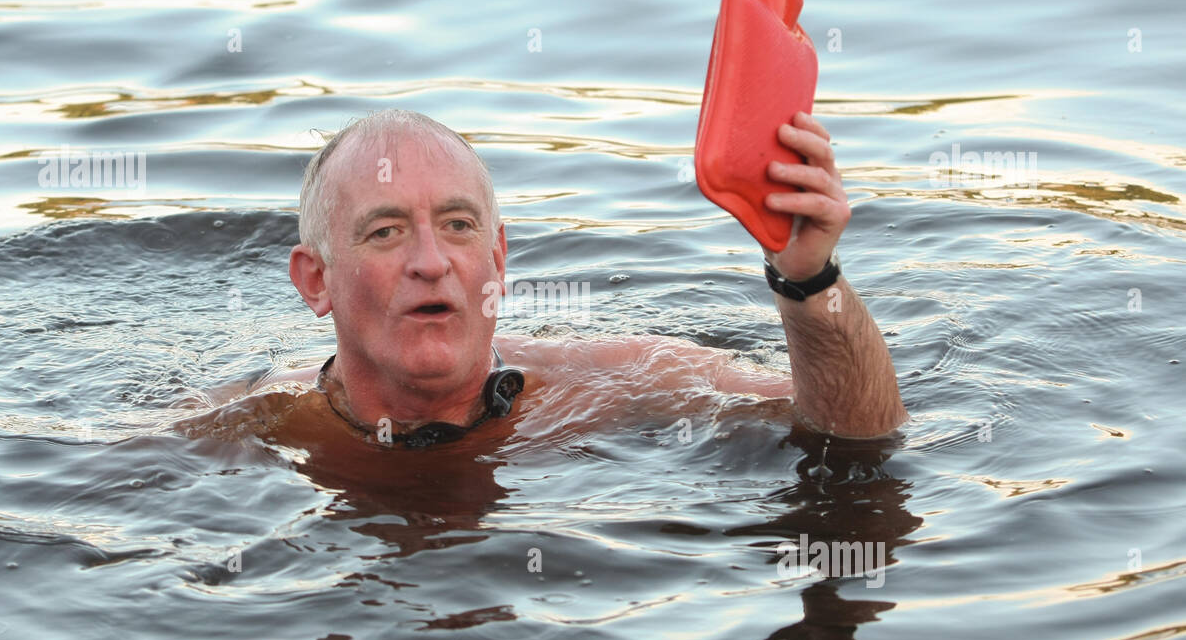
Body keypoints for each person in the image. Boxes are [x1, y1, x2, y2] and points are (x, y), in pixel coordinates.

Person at [179, 108, 907, 449]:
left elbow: (861, 432)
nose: (431, 261)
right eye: (385, 231)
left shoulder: (611, 383)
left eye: (459, 227)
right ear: (316, 281)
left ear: (498, 260)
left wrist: (809, 279)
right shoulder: (254, 425)